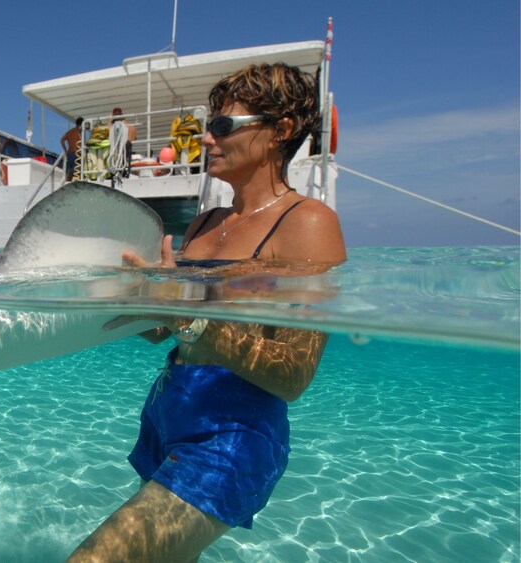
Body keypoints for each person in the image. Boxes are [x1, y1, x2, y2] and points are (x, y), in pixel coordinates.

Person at [68, 63, 346, 562]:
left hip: (233, 437)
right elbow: (170, 331)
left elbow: (294, 375)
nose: (207, 140)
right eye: (205, 127)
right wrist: (130, 302)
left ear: (280, 131)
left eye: (222, 127)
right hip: (168, 415)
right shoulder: (205, 222)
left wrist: (188, 315)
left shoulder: (308, 223)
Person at [108, 108, 137, 179]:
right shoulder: (132, 127)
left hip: (116, 156)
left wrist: (109, 121)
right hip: (126, 155)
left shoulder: (111, 128)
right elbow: (134, 138)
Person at [61, 117, 85, 181]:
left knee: (69, 171)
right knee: (78, 170)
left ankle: (67, 182)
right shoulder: (79, 131)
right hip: (77, 153)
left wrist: (65, 150)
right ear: (81, 124)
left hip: (70, 153)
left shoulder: (70, 132)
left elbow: (62, 139)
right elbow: (80, 140)